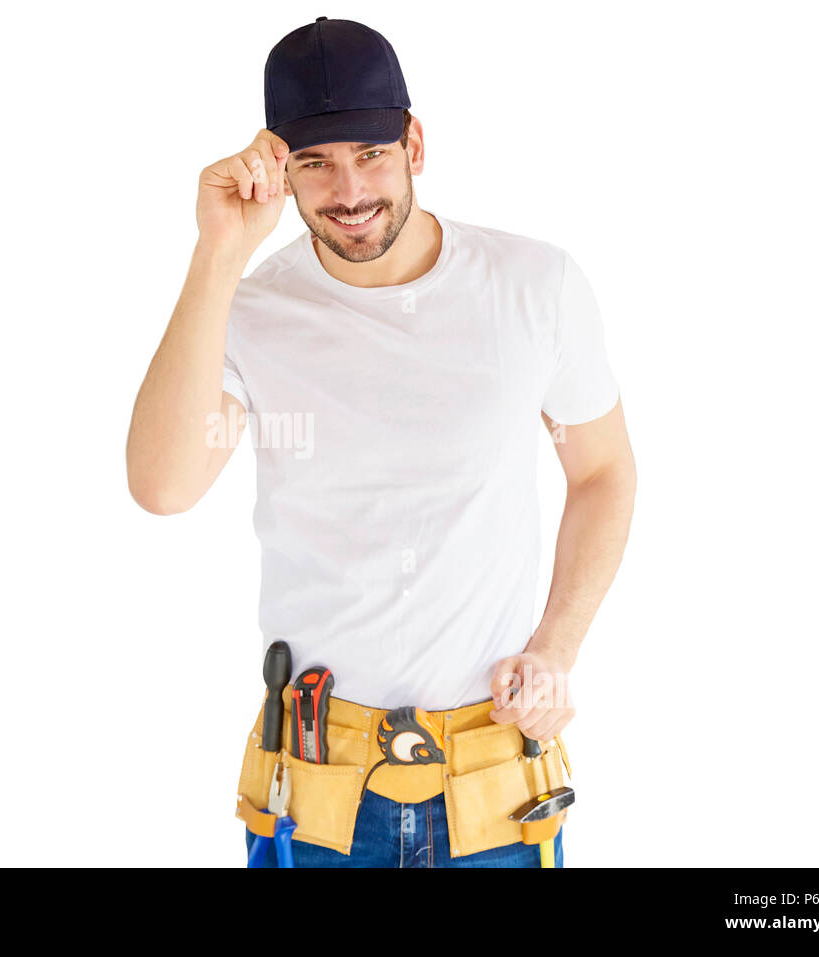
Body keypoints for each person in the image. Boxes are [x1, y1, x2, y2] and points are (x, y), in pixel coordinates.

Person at [125, 17, 636, 867]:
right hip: (319, 797)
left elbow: (605, 471)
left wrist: (556, 647)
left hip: (496, 787)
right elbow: (162, 485)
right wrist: (219, 254)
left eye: (370, 152)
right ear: (279, 171)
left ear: (416, 142)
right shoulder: (249, 311)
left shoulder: (534, 287)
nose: (349, 190)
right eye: (315, 163)